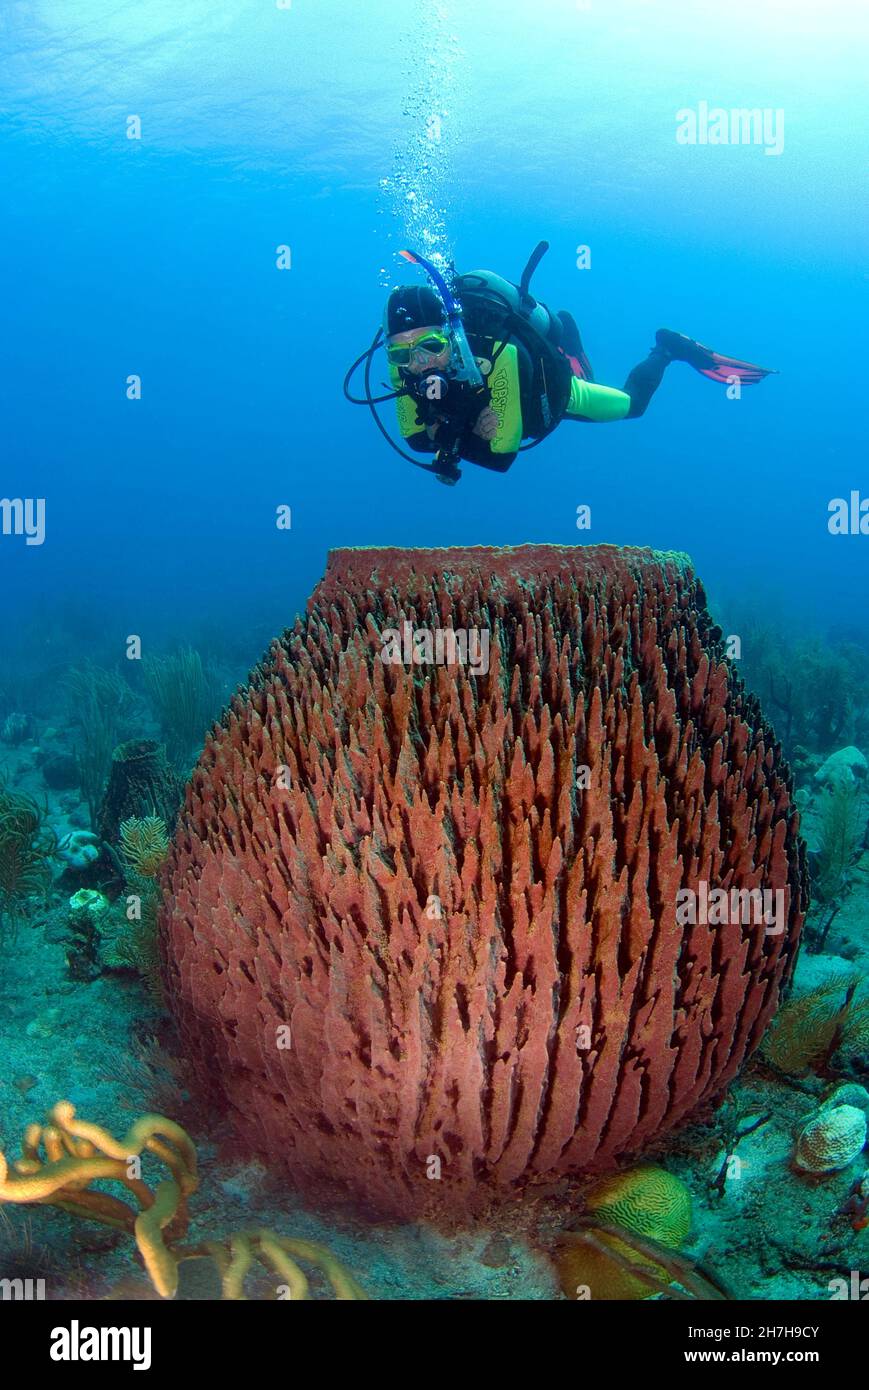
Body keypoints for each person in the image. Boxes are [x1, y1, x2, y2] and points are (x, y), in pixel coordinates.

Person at [380, 257, 775, 481]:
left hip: (553, 393)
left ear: (452, 334)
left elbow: (502, 455)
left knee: (632, 405)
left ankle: (665, 350)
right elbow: (415, 440)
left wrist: (450, 432)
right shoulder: (403, 366)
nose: (419, 364)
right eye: (402, 354)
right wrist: (466, 426)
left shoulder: (500, 353)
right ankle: (569, 339)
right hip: (509, 405)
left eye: (431, 346)